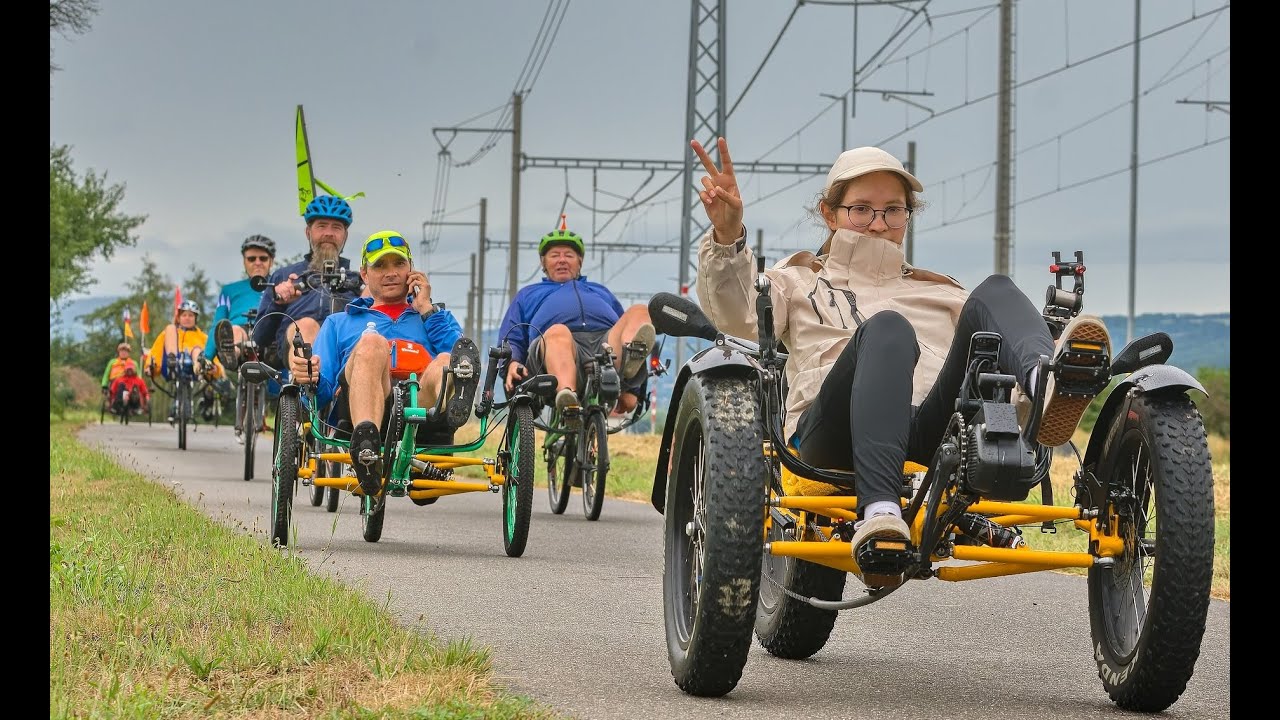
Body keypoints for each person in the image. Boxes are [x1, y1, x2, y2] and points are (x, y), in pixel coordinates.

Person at [690, 137, 1111, 588]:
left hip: (933, 432)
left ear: (907, 217)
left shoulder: (942, 291)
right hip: (834, 435)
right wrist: (728, 236)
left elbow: (982, 358)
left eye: (893, 210)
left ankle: (1039, 385)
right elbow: (738, 315)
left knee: (997, 291)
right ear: (830, 214)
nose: (878, 224)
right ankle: (880, 512)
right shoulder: (797, 281)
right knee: (888, 328)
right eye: (861, 210)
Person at [290, 230, 481, 498]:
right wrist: (307, 377)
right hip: (363, 402)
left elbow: (464, 359)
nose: (390, 272)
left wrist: (426, 309)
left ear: (411, 271)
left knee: (448, 360)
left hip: (422, 407)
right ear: (365, 275)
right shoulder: (339, 323)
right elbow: (321, 394)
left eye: (398, 264)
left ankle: (449, 416)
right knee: (372, 343)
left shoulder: (437, 318)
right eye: (380, 265)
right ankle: (365, 445)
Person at [496, 214, 656, 421]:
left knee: (639, 311)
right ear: (543, 263)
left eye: (569, 255)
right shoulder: (529, 294)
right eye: (555, 255)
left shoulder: (600, 291)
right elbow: (513, 334)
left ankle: (629, 367)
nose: (562, 260)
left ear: (579, 262)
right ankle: (567, 395)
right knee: (558, 331)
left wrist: (634, 391)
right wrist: (511, 362)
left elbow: (627, 327)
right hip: (556, 347)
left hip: (606, 348)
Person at [253, 195, 363, 372]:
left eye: (336, 227)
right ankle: (306, 391)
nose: (328, 233)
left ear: (345, 236)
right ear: (308, 232)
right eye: (321, 226)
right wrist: (278, 303)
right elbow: (260, 338)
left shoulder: (359, 280)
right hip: (296, 348)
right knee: (306, 326)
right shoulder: (284, 275)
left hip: (345, 352)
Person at [145, 300, 223, 421]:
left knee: (197, 350)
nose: (187, 318)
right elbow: (156, 352)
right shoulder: (169, 333)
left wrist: (215, 369)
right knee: (170, 328)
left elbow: (214, 357)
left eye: (191, 315)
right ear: (179, 317)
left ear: (195, 318)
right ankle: (173, 360)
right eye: (184, 315)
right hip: (172, 364)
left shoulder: (203, 337)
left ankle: (200, 364)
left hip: (194, 368)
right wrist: (150, 367)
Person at [207, 234, 276, 372]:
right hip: (240, 331)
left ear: (271, 261)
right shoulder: (229, 290)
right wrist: (206, 357)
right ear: (244, 262)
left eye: (263, 258)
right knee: (235, 331)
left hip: (270, 331)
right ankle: (231, 354)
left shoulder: (279, 286)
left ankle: (273, 357)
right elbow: (218, 324)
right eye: (251, 259)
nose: (257, 262)